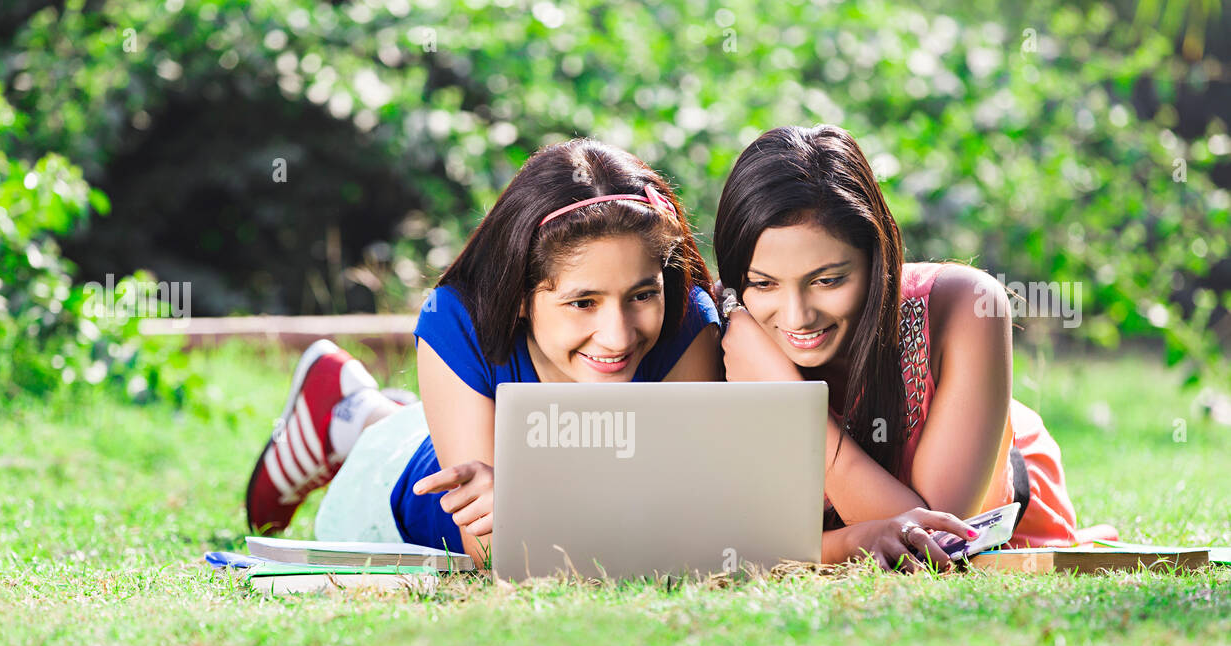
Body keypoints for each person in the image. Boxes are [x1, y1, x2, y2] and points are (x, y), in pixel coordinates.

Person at [244, 138, 723, 568]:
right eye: (582, 303)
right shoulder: (457, 319)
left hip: (478, 426)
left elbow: (690, 493)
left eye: (642, 295)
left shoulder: (686, 318)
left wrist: (530, 499)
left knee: (424, 420)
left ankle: (363, 409)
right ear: (519, 294)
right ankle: (351, 416)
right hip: (403, 481)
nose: (618, 337)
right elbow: (495, 550)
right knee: (409, 439)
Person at [713, 124, 1116, 569]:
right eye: (764, 284)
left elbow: (933, 547)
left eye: (828, 280)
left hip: (996, 491)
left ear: (877, 256)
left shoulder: (966, 305)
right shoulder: (728, 338)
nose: (797, 317)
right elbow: (724, 541)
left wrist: (794, 407)